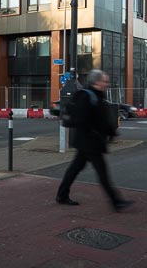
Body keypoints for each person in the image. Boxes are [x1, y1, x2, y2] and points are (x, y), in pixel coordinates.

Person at [56, 69, 134, 212]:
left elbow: (102, 119)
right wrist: (96, 134)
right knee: (102, 173)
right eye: (105, 81)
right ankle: (116, 202)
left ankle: (61, 195)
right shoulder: (86, 96)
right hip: (90, 143)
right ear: (96, 82)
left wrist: (111, 132)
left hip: (89, 142)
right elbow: (84, 120)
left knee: (75, 169)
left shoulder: (97, 96)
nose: (107, 84)